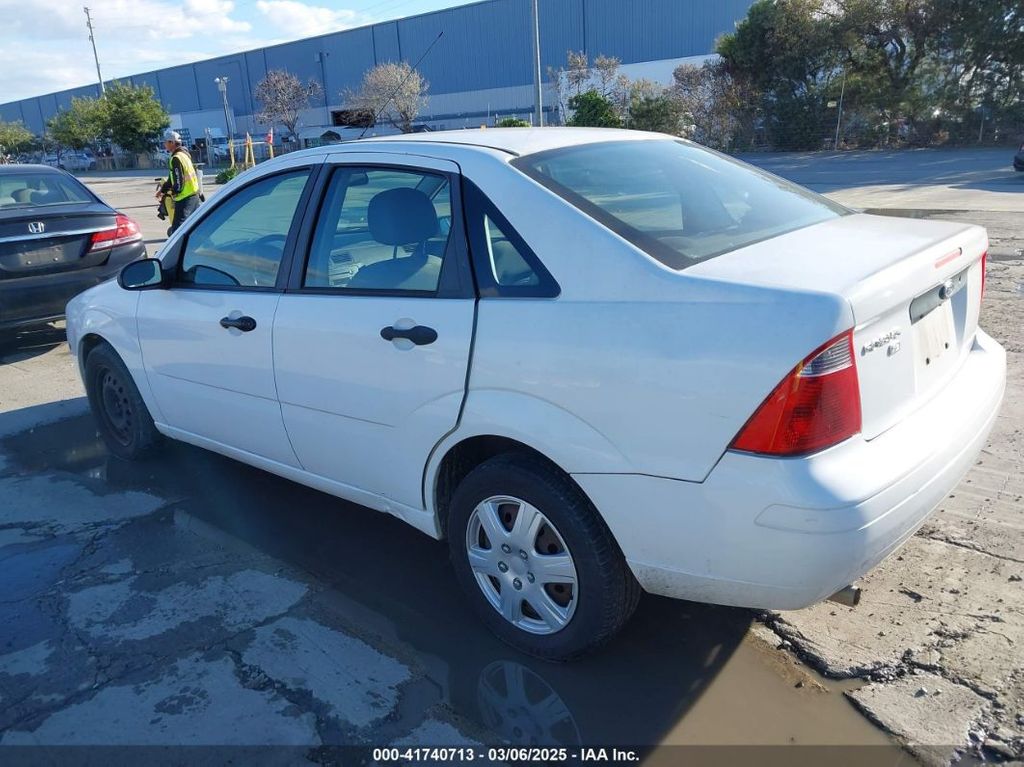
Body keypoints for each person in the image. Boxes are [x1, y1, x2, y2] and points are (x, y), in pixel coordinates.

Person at [156, 130, 202, 234]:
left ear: (172, 142)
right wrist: (163, 191)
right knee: (195, 226)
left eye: (165, 142)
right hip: (194, 194)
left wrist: (173, 192)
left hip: (185, 198)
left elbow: (178, 181)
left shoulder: (176, 158)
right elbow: (171, 178)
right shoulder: (185, 154)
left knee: (178, 229)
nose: (164, 144)